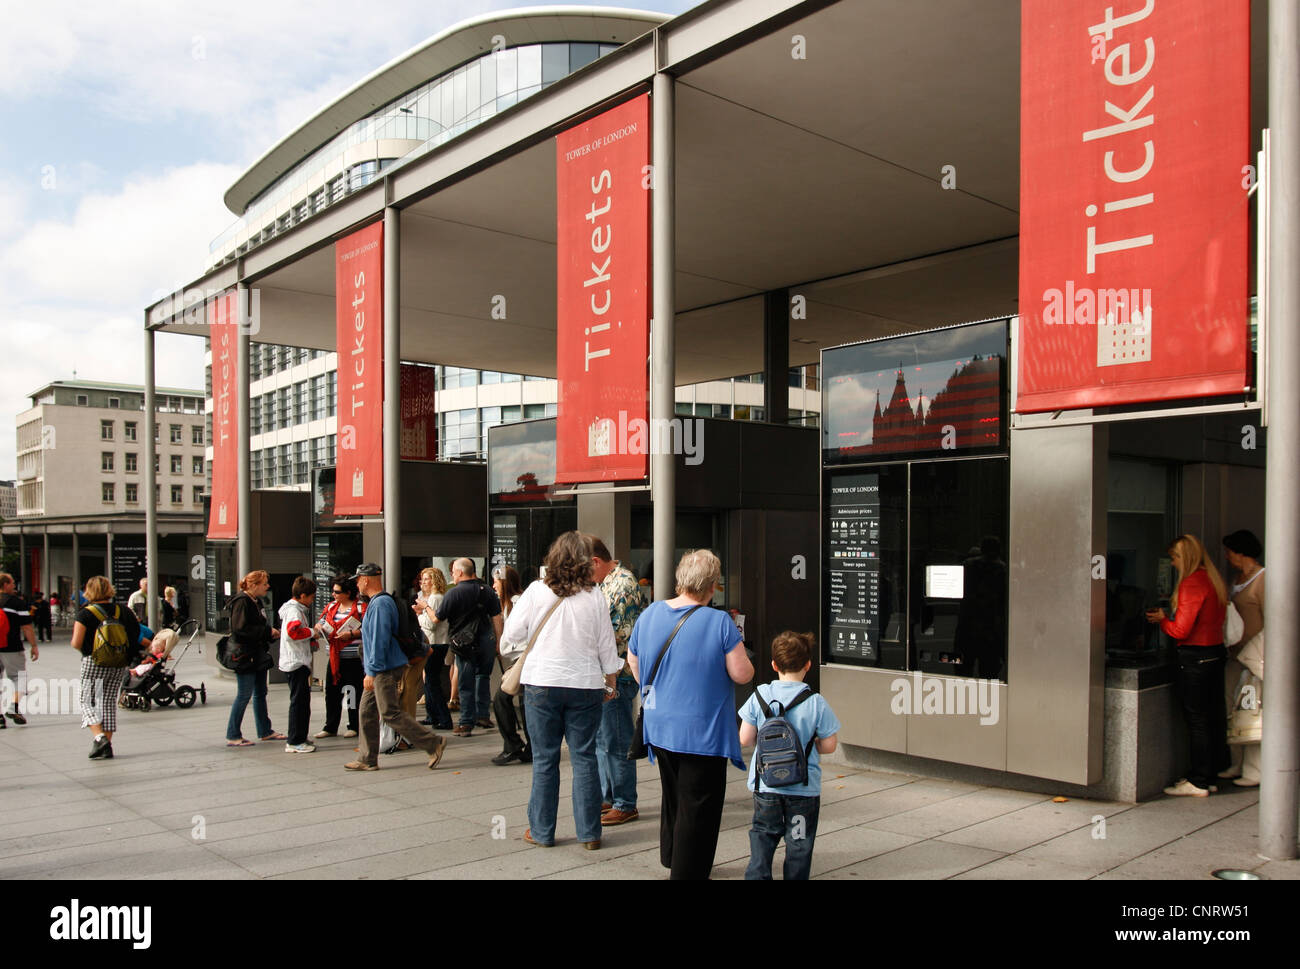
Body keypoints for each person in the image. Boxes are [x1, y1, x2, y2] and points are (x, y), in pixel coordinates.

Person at [628, 548, 754, 878]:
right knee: (699, 806)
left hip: (660, 726)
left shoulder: (650, 614)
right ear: (713, 586)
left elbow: (634, 665)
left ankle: (671, 855)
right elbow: (742, 674)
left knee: (674, 797)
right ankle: (686, 871)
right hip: (702, 732)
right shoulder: (719, 622)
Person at [502, 532, 621, 848]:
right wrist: (610, 683)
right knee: (584, 758)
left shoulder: (535, 591)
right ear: (585, 561)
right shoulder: (594, 595)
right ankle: (590, 834)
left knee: (545, 760)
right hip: (584, 685)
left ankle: (542, 832)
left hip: (542, 682)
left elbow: (513, 632)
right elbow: (606, 647)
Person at [738, 631, 841, 880]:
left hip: (766, 786)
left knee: (763, 835)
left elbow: (745, 739)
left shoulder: (760, 695)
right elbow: (829, 745)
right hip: (802, 789)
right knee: (799, 844)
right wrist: (808, 744)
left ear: (774, 665)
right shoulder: (816, 702)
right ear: (808, 665)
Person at [1146, 534, 1229, 797]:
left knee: (1197, 720)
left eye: (1175, 557)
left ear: (1186, 557)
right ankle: (1211, 774)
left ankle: (1199, 780)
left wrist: (1162, 620)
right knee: (1213, 716)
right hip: (1215, 653)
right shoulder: (1213, 580)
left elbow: (1181, 630)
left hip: (1194, 658)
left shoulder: (1192, 583)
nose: (1172, 563)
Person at [344, 563, 448, 772]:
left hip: (383, 668)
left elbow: (379, 640)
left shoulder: (381, 604)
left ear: (366, 579)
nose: (356, 584)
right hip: (381, 667)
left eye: (357, 580)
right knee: (366, 711)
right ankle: (367, 758)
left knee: (390, 712)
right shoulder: (378, 602)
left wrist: (372, 672)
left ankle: (432, 742)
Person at [589, 538, 646, 824]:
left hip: (618, 676)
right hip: (606, 675)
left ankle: (625, 802)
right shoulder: (605, 583)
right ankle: (609, 796)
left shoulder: (622, 584)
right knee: (604, 739)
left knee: (616, 740)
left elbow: (615, 636)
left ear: (596, 561)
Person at [70, 576, 142, 759]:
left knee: (86, 701)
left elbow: (76, 642)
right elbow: (135, 637)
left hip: (94, 662)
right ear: (110, 589)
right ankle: (107, 746)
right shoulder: (124, 611)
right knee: (108, 702)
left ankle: (100, 737)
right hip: (119, 664)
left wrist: (88, 650)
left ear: (89, 591)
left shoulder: (85, 614)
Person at [435, 558, 502, 736]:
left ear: (460, 572)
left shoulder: (453, 594)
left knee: (466, 681)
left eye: (453, 572)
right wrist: (498, 640)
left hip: (462, 642)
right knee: (483, 676)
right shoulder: (487, 590)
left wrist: (424, 607)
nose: (452, 575)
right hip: (486, 639)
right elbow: (497, 617)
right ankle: (483, 715)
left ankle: (466, 722)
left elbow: (439, 617)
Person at [1220, 529, 1265, 788]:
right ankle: (1235, 762)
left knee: (1253, 710)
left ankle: (1254, 768)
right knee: (1231, 708)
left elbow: (1275, 621)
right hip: (1235, 655)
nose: (1227, 556)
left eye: (1230, 551)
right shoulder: (1237, 579)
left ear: (1241, 552)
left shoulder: (1263, 579)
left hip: (1254, 657)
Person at [224, 570, 285, 747]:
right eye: (264, 584)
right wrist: (267, 631)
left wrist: (268, 633)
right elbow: (240, 629)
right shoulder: (242, 601)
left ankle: (265, 730)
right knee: (244, 694)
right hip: (245, 655)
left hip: (255, 654)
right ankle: (233, 734)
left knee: (260, 693)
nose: (267, 587)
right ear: (253, 585)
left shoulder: (255, 601)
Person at [316, 574, 365, 739]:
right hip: (335, 656)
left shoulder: (360, 608)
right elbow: (322, 622)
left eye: (337, 592)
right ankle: (330, 726)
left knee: (353, 692)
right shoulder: (331, 607)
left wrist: (351, 634)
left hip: (354, 657)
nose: (333, 595)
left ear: (348, 593)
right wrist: (320, 627)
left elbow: (369, 629)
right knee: (332, 692)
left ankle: (354, 725)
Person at [491, 565, 531, 765]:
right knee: (521, 703)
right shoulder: (510, 603)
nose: (493, 586)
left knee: (503, 699)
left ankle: (514, 745)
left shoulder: (516, 603)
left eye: (496, 582)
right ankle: (524, 746)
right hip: (521, 659)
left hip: (523, 659)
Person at [278, 576, 319, 754]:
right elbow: (292, 633)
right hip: (296, 662)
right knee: (299, 703)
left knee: (301, 702)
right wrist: (312, 632)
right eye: (311, 597)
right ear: (303, 596)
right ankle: (294, 740)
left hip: (296, 661)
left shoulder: (293, 609)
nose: (312, 600)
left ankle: (299, 736)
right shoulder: (294, 611)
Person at [414, 568, 453, 730]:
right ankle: (433, 715)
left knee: (431, 681)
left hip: (435, 642)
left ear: (435, 580)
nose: (423, 582)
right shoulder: (431, 598)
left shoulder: (436, 598)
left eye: (426, 579)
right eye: (422, 579)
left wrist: (419, 614)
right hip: (435, 642)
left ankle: (443, 718)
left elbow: (432, 623)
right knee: (430, 680)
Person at [0, 572, 38, 726]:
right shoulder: (16, 602)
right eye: (12, 583)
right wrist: (34, 646)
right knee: (18, 677)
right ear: (5, 585)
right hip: (12, 647)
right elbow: (27, 627)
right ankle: (13, 707)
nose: (14, 586)